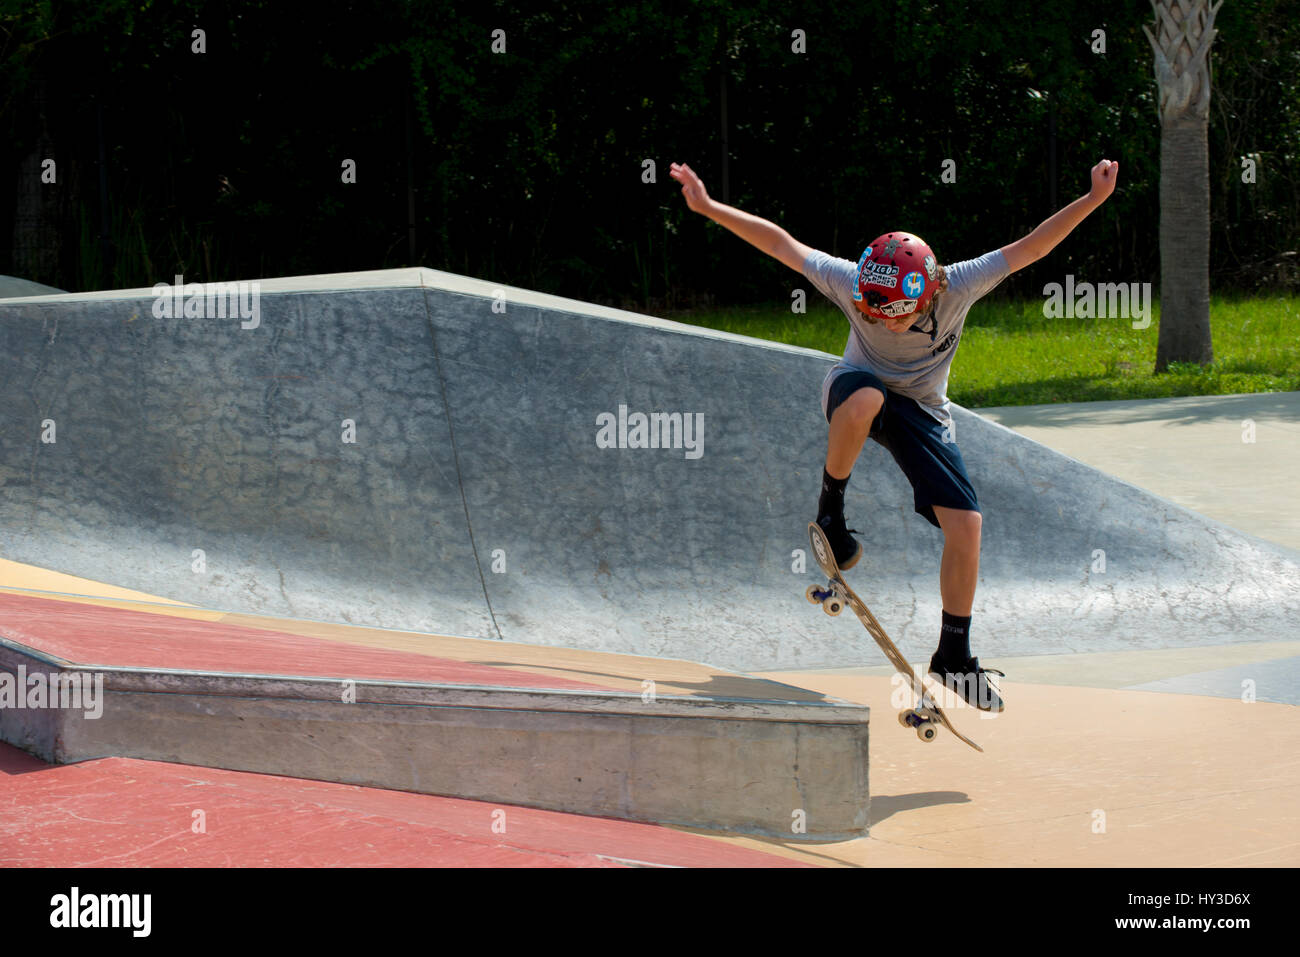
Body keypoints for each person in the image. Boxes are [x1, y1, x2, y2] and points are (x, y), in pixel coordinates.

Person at [669, 158, 1120, 711]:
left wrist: (1094, 199)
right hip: (855, 392)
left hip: (924, 411)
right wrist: (710, 208)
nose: (885, 325)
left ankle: (954, 656)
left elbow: (1033, 247)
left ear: (928, 294)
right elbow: (782, 245)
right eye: (875, 316)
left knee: (968, 525)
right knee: (867, 395)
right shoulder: (852, 282)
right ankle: (830, 513)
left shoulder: (960, 283)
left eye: (898, 317)